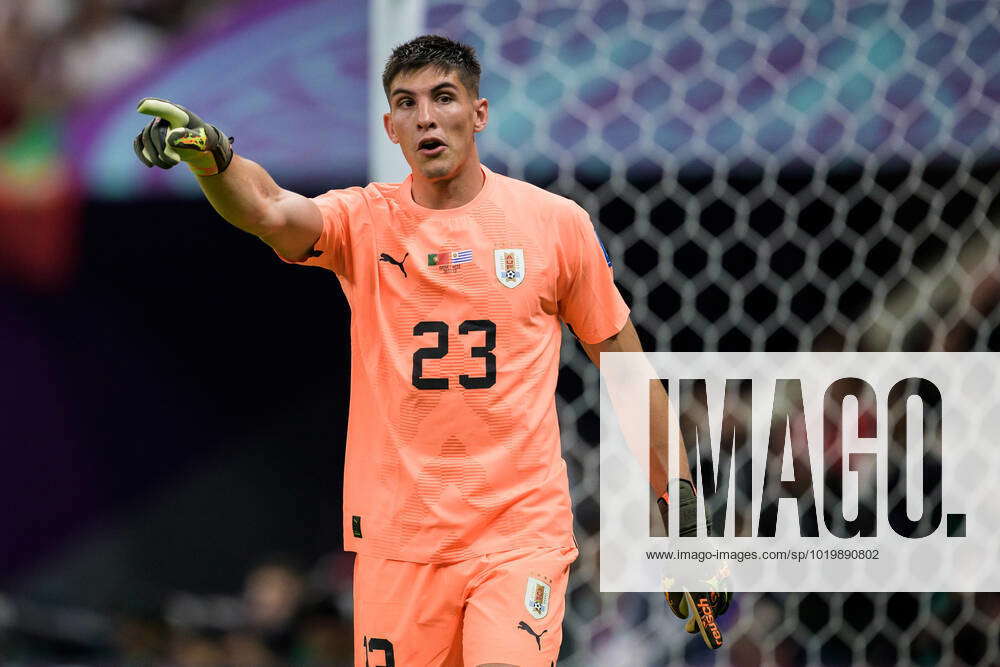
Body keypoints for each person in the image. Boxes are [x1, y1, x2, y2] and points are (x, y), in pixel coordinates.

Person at [134, 34, 729, 665]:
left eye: (443, 97)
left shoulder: (555, 226)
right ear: (389, 126)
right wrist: (215, 161)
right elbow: (269, 207)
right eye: (406, 103)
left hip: (516, 537)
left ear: (478, 113)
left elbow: (629, 376)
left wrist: (684, 522)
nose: (426, 116)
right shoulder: (361, 222)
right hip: (399, 544)